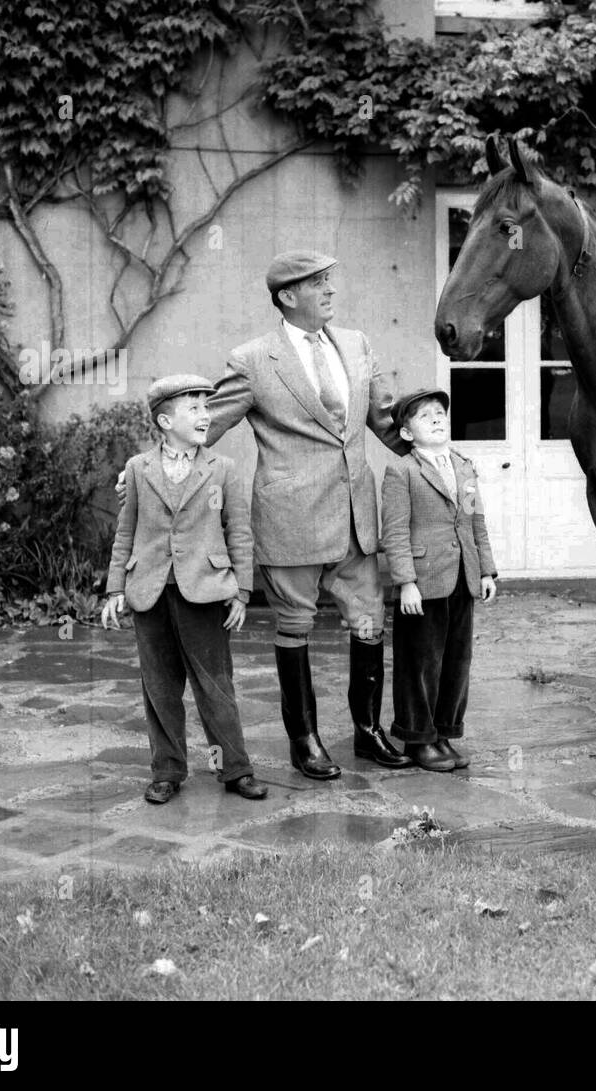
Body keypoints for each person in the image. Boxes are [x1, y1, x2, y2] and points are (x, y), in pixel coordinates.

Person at [117, 250, 416, 779]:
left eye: (330, 280)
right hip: (291, 518)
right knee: (296, 625)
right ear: (286, 296)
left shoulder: (357, 344)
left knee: (369, 622)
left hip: (356, 520)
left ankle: (368, 733)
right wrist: (152, 466)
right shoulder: (254, 360)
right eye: (316, 283)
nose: (329, 290)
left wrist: (438, 464)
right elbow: (204, 424)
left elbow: (388, 422)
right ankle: (305, 740)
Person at [101, 374, 266, 803]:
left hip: (207, 589)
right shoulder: (138, 469)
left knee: (215, 685)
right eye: (193, 409)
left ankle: (235, 769)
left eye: (206, 408)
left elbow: (240, 532)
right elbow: (126, 530)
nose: (204, 416)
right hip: (149, 590)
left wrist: (242, 591)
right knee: (159, 686)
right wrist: (115, 588)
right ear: (164, 420)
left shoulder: (222, 469)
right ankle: (167, 770)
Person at [381, 388, 498, 771]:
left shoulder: (463, 467)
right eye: (425, 415)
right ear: (408, 433)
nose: (436, 419)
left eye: (440, 413)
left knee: (456, 660)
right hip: (424, 581)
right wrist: (406, 582)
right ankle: (418, 738)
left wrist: (485, 570)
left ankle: (444, 732)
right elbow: (395, 531)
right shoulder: (402, 471)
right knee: (421, 662)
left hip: (462, 577)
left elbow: (475, 521)